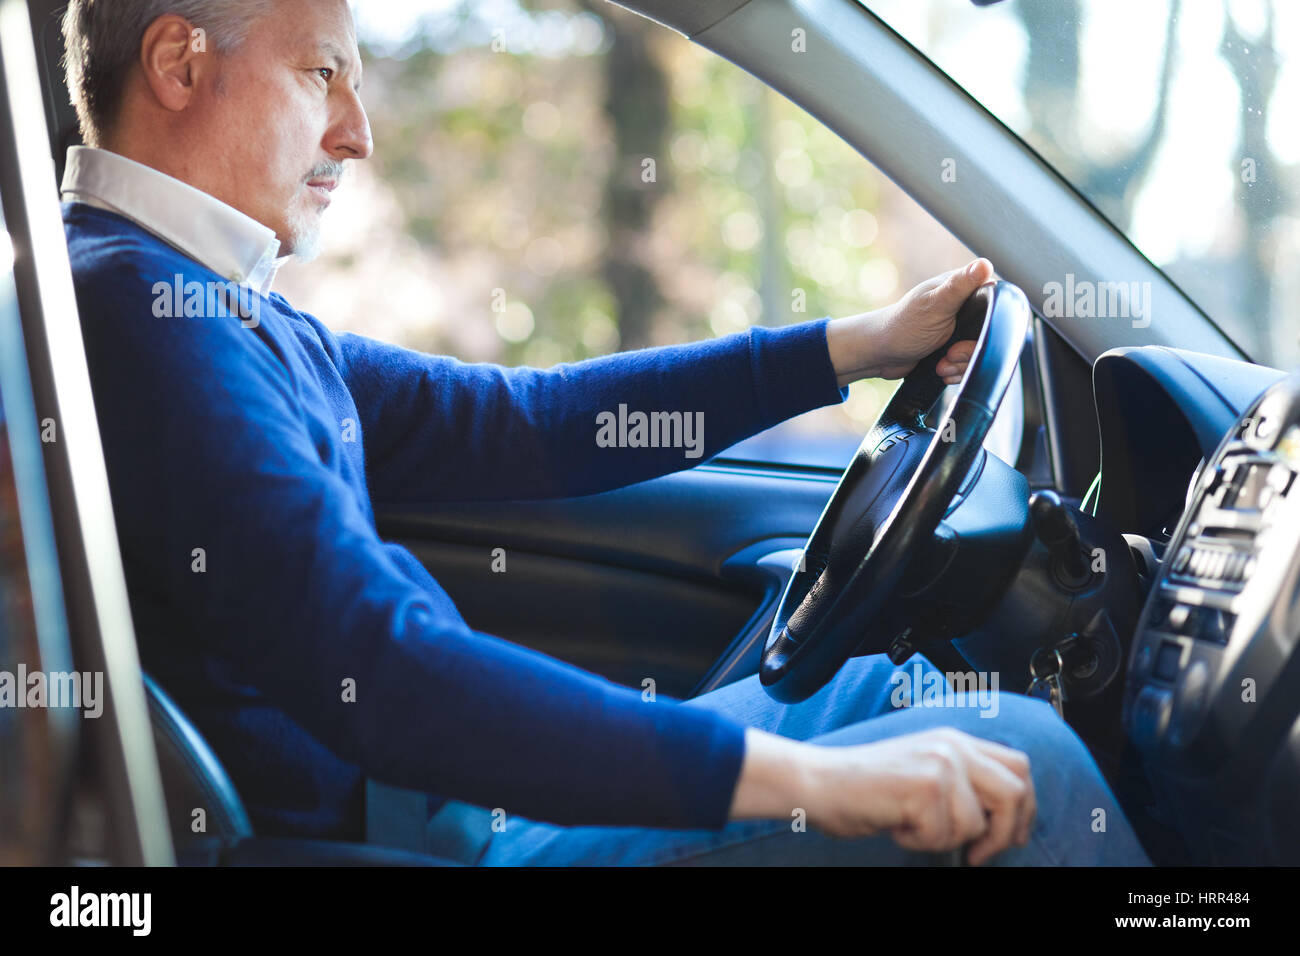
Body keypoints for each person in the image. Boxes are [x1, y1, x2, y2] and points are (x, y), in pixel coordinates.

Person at [58, 0, 1148, 866]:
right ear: (180, 64)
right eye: (321, 72)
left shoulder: (199, 299)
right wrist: (815, 784)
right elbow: (380, 667)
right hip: (422, 839)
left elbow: (530, 423)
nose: (359, 129)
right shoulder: (149, 318)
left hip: (438, 809)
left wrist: (849, 346)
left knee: (897, 689)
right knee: (1026, 755)